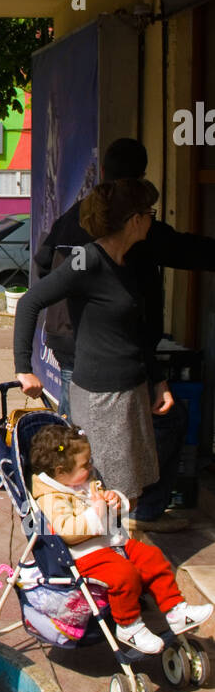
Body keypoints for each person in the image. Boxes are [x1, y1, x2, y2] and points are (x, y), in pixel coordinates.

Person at [34, 137, 215, 531]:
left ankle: (83, 523)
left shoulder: (76, 215)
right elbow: (185, 250)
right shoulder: (128, 222)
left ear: (103, 172)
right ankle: (120, 518)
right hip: (96, 351)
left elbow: (43, 260)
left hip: (69, 341)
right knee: (98, 444)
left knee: (78, 442)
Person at [15, 179, 171, 510]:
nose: (152, 219)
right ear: (135, 220)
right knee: (106, 495)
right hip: (102, 398)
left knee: (130, 492)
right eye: (149, 213)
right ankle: (105, 557)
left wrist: (158, 380)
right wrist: (23, 368)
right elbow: (30, 301)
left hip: (132, 390)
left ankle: (121, 553)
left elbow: (136, 332)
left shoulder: (128, 262)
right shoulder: (88, 260)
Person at [29, 424, 212, 653]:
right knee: (124, 575)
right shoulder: (51, 497)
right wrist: (96, 512)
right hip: (85, 555)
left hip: (113, 544)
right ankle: (129, 626)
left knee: (152, 556)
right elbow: (67, 531)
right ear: (60, 472)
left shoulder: (82, 481)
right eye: (85, 465)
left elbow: (106, 506)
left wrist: (115, 501)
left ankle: (176, 609)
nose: (91, 467)